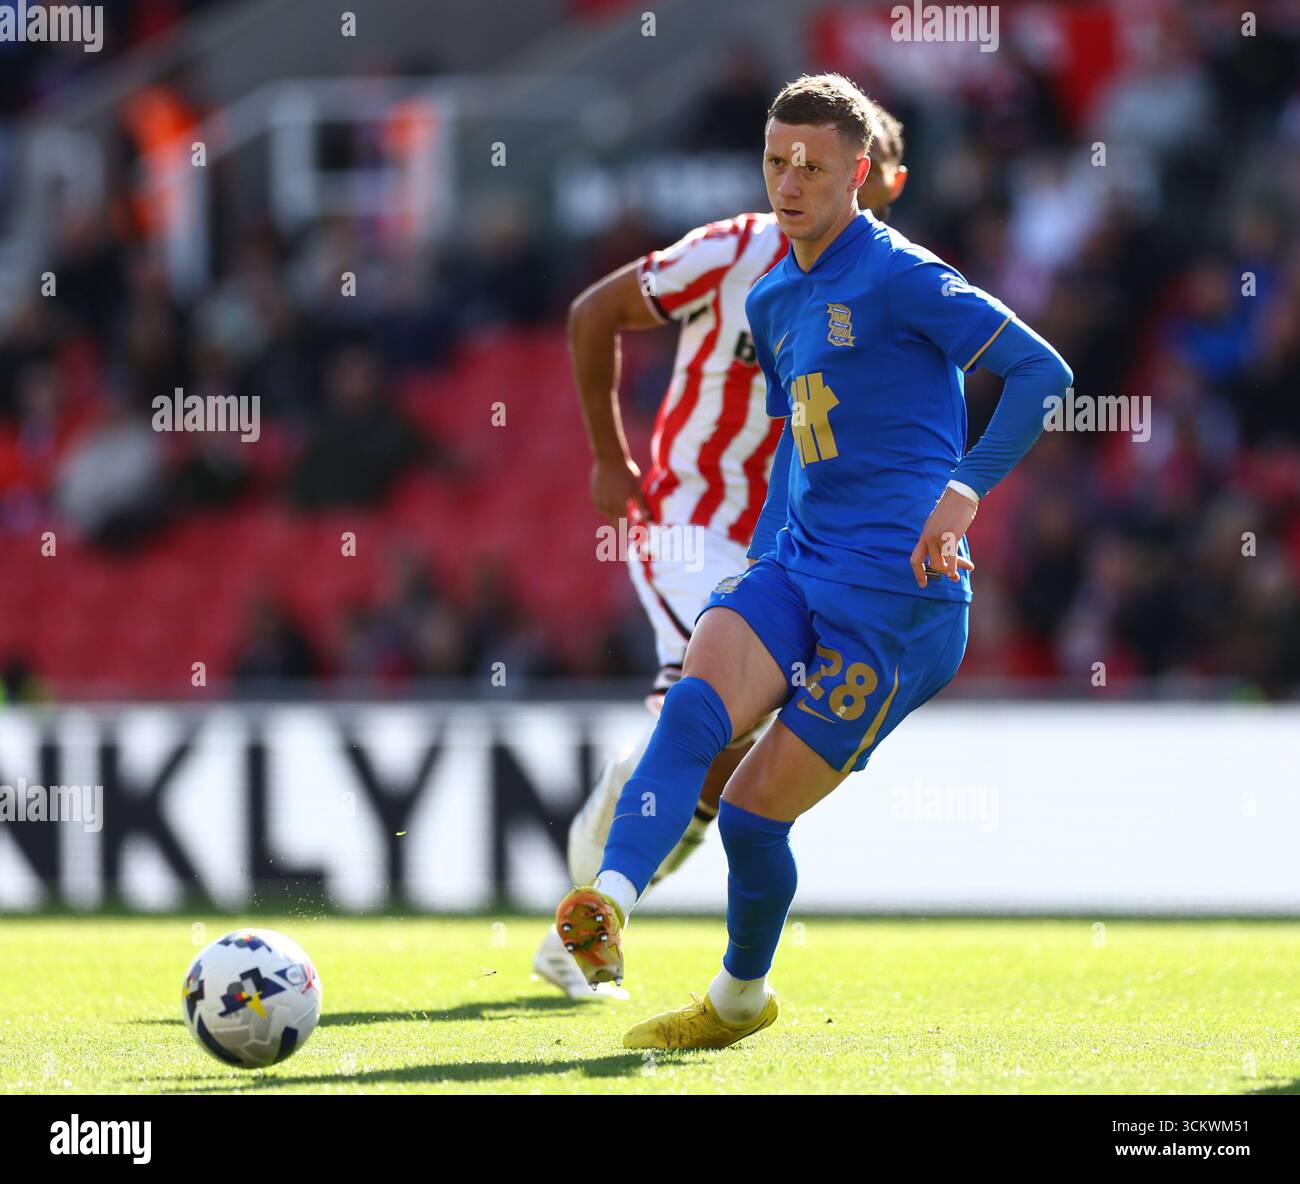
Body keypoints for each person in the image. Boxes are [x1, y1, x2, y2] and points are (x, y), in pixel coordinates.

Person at [552, 74, 1073, 1049]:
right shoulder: (776, 291)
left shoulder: (902, 275)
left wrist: (964, 492)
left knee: (751, 817)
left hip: (897, 600)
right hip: (798, 561)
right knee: (694, 707)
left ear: (859, 176)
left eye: (812, 166)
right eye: (774, 161)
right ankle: (605, 902)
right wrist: (763, 558)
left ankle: (738, 998)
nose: (788, 182)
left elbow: (1044, 370)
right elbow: (800, 431)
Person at [533, 101, 910, 1000]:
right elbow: (593, 314)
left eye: (834, 166)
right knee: (708, 719)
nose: (800, 180)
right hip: (687, 522)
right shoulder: (733, 251)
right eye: (787, 162)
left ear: (879, 181)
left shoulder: (888, 291)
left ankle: (579, 923)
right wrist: (608, 455)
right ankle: (599, 884)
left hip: (784, 550)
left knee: (726, 758)